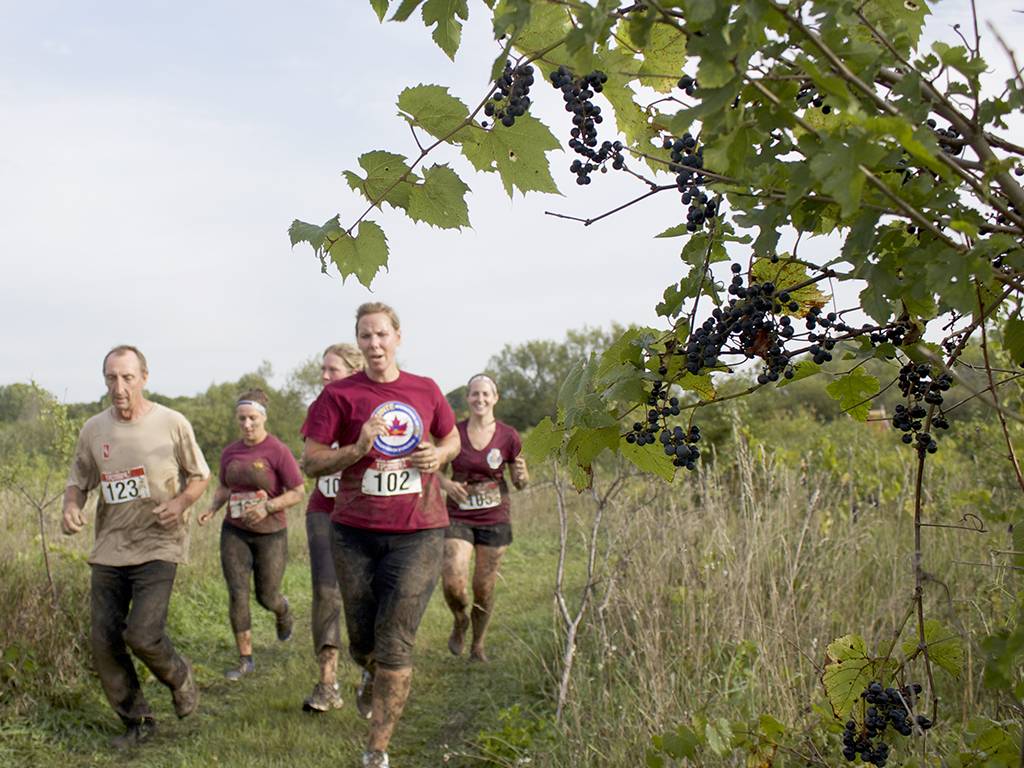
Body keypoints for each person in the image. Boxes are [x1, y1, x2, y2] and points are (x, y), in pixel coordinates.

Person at [301, 302, 459, 768]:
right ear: (359, 341)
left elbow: (451, 438)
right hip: (353, 533)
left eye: (381, 335)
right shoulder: (340, 396)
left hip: (420, 531)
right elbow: (310, 460)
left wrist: (439, 456)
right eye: (365, 336)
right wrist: (356, 449)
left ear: (398, 337)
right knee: (362, 640)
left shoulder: (425, 390)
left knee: (395, 643)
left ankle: (377, 750)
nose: (374, 344)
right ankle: (368, 673)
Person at [62, 345, 210, 748]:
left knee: (143, 634)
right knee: (104, 641)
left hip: (160, 543)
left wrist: (179, 503)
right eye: (111, 378)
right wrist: (71, 506)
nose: (119, 386)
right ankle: (137, 721)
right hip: (111, 547)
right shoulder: (94, 429)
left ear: (144, 377)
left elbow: (199, 476)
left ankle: (179, 674)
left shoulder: (171, 422)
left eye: (127, 377)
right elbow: (79, 478)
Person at [197, 388, 305, 680]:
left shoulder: (277, 451)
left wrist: (268, 507)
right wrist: (212, 508)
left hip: (271, 533)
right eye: (242, 419)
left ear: (263, 418)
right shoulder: (230, 452)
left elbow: (298, 491)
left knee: (265, 596)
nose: (247, 424)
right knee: (237, 594)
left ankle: (282, 610)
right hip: (235, 531)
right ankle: (245, 659)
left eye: (252, 418)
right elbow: (224, 487)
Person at [439, 374, 528, 663]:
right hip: (457, 514)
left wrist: (522, 476)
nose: (480, 399)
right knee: (453, 579)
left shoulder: (509, 435)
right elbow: (433, 469)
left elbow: (520, 481)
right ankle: (459, 619)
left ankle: (478, 644)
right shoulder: (454, 432)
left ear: (495, 398)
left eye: (485, 394)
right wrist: (447, 485)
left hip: (494, 516)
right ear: (467, 398)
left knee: (484, 586)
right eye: (474, 394)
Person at [302, 343, 364, 713]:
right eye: (322, 370)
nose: (324, 377)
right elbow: (310, 460)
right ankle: (327, 684)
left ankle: (372, 668)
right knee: (326, 592)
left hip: (367, 513)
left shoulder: (376, 407)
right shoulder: (319, 409)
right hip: (324, 508)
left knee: (362, 596)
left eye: (333, 370)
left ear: (355, 372)